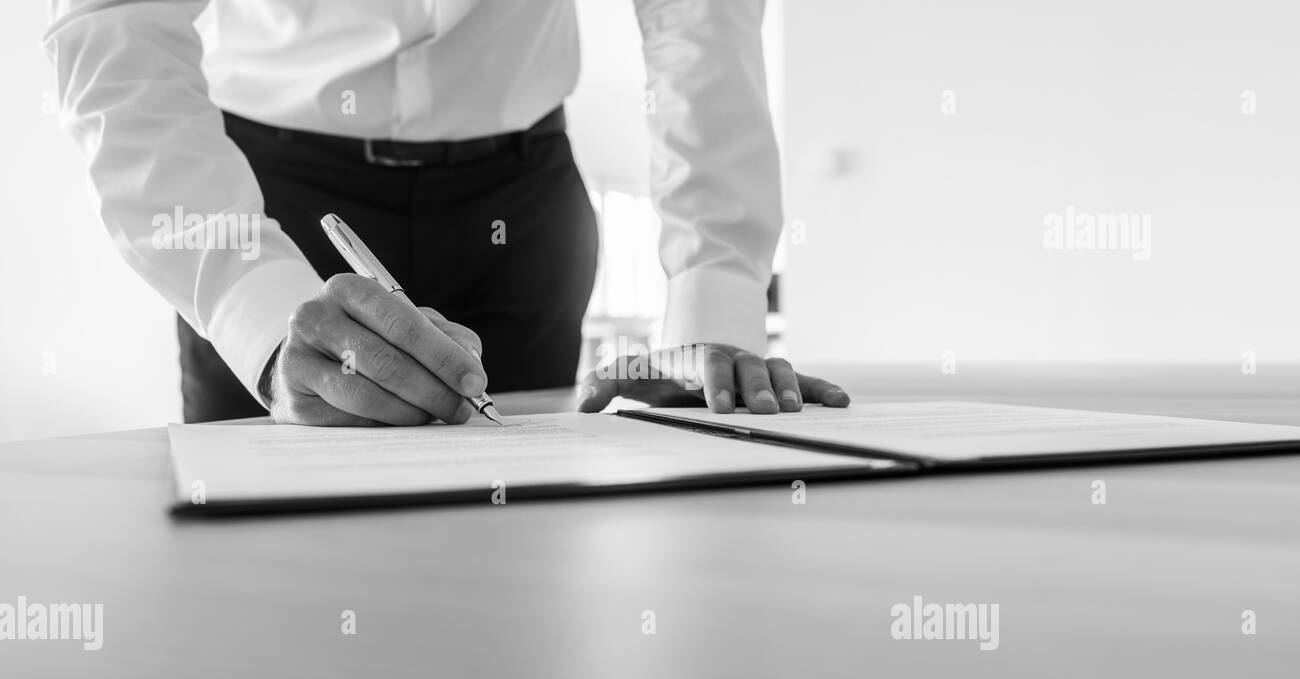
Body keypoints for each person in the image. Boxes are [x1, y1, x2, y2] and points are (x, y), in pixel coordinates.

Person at [46, 0, 850, 426]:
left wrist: (712, 293)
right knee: (269, 572)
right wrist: (249, 307)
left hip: (518, 203)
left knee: (512, 561)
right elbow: (113, 26)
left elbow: (696, 12)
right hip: (268, 203)